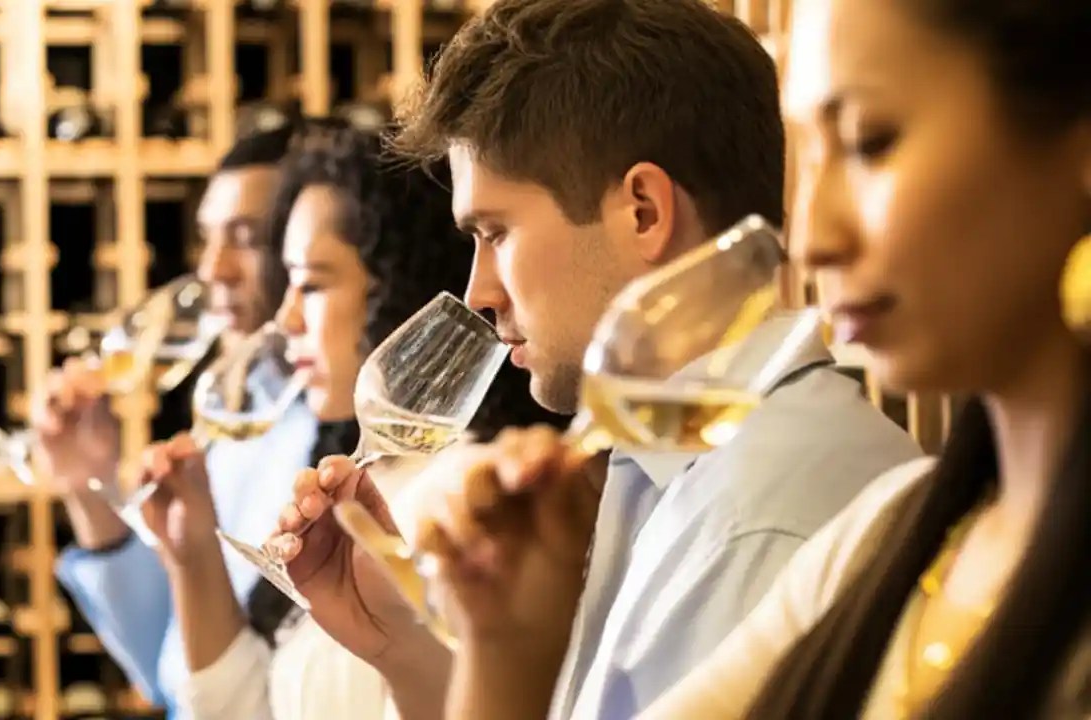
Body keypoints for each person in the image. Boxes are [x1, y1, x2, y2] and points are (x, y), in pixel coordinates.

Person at [425, 0, 1091, 717]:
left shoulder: (780, 515)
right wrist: (505, 649)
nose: (811, 239)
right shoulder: (882, 533)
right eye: (812, 157)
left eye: (868, 142)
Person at [265, 1, 923, 717]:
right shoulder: (660, 468)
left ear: (644, 211)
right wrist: (403, 643)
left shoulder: (757, 520)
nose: (479, 293)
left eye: (496, 232)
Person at [131, 123, 567, 720]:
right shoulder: (368, 486)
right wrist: (194, 558)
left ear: (399, 289)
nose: (286, 320)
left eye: (311, 285)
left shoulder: (465, 500)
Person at [38, 123, 314, 719]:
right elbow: (171, 674)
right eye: (208, 238)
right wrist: (90, 483)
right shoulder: (241, 419)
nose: (213, 269)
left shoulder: (340, 443)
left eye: (246, 237)